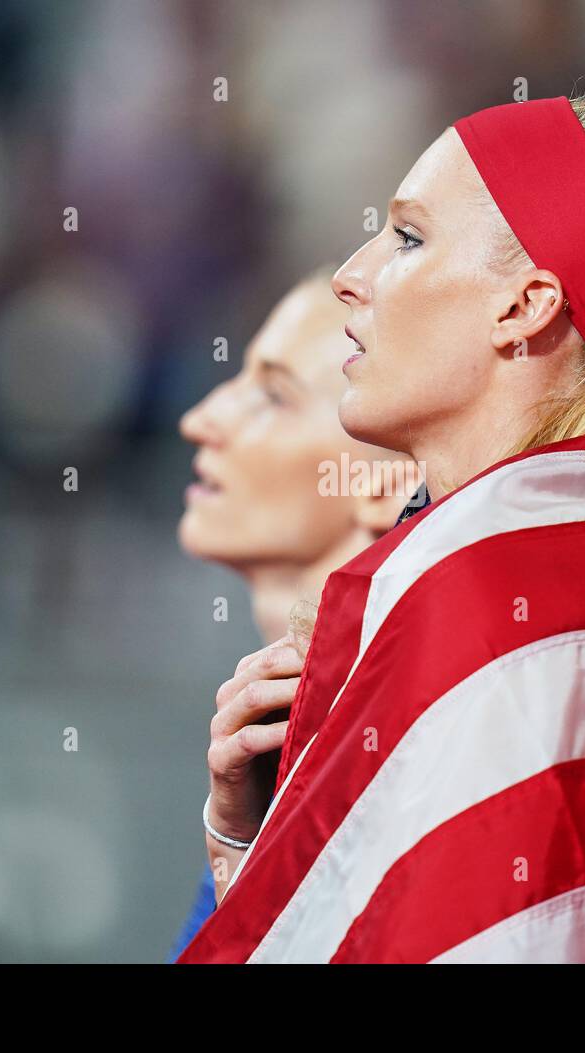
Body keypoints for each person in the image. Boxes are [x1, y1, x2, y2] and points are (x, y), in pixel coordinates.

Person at [180, 92, 585, 963]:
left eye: (407, 236)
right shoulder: (560, 576)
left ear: (525, 305)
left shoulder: (484, 598)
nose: (349, 275)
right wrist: (259, 846)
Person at [169, 268, 417, 959]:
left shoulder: (386, 751)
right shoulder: (280, 751)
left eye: (274, 396)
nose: (201, 418)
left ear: (385, 482)